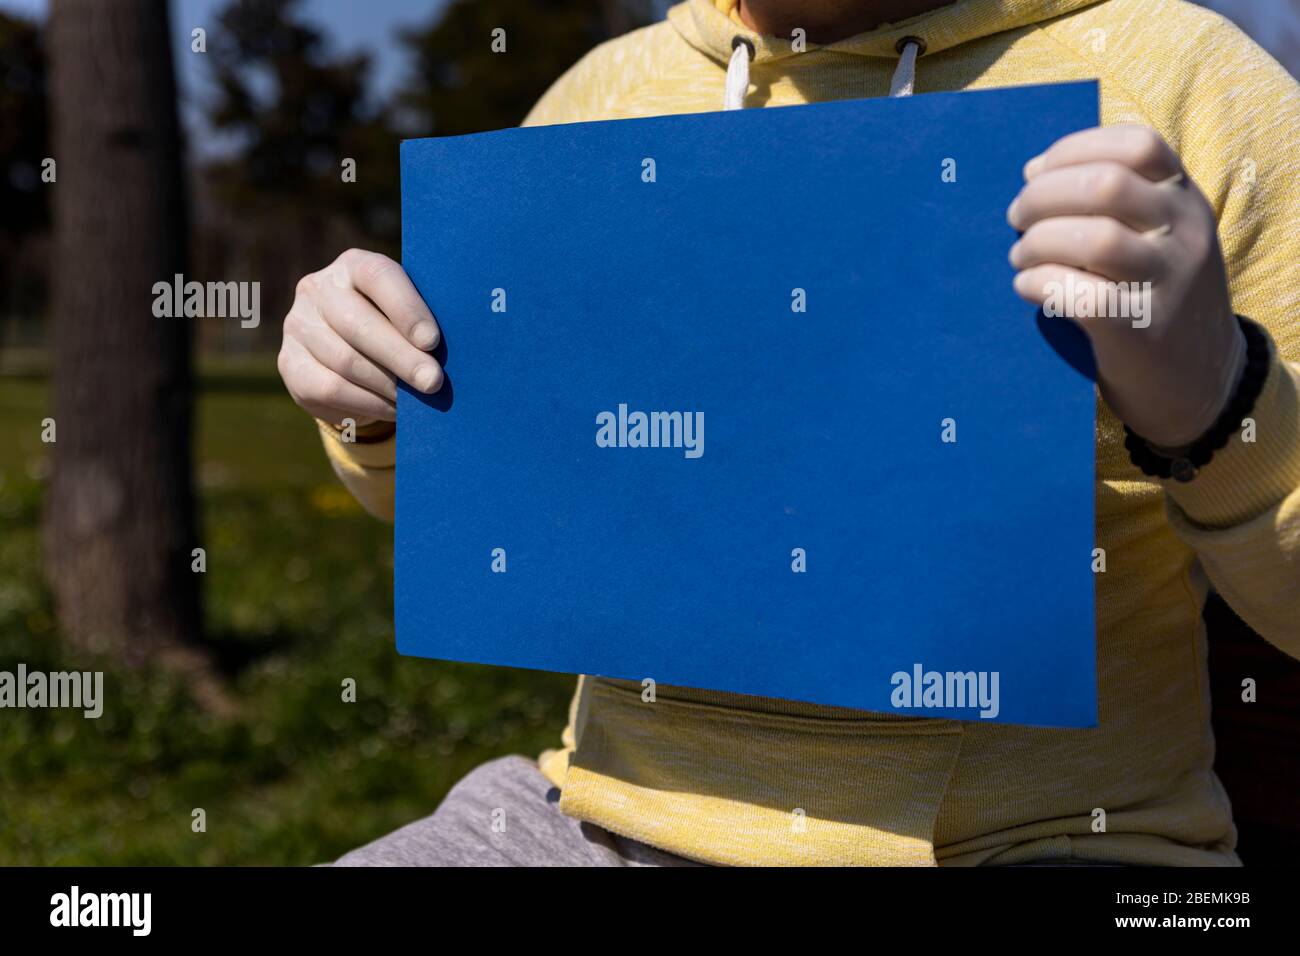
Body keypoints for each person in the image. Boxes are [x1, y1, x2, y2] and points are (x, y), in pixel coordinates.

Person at [277, 0, 1300, 866]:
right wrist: (371, 402)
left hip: (1046, 845)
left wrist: (1215, 397)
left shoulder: (1185, 79)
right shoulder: (603, 95)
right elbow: (488, 493)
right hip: (594, 824)